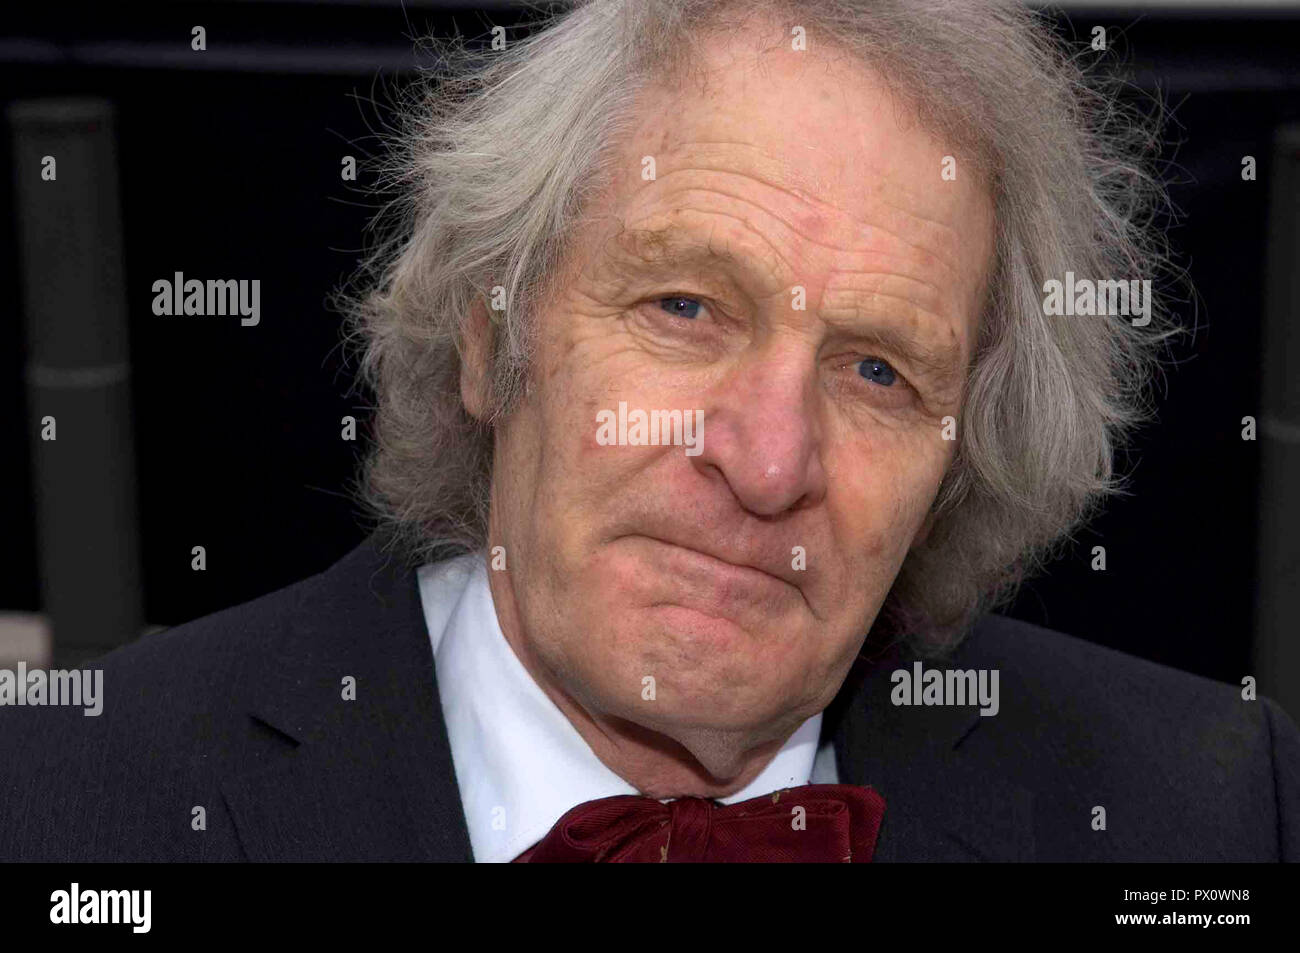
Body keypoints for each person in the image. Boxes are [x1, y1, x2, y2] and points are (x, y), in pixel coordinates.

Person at [3, 0, 1296, 862]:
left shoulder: (1210, 815)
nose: (768, 458)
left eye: (879, 371)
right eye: (685, 305)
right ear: (490, 331)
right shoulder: (63, 806)